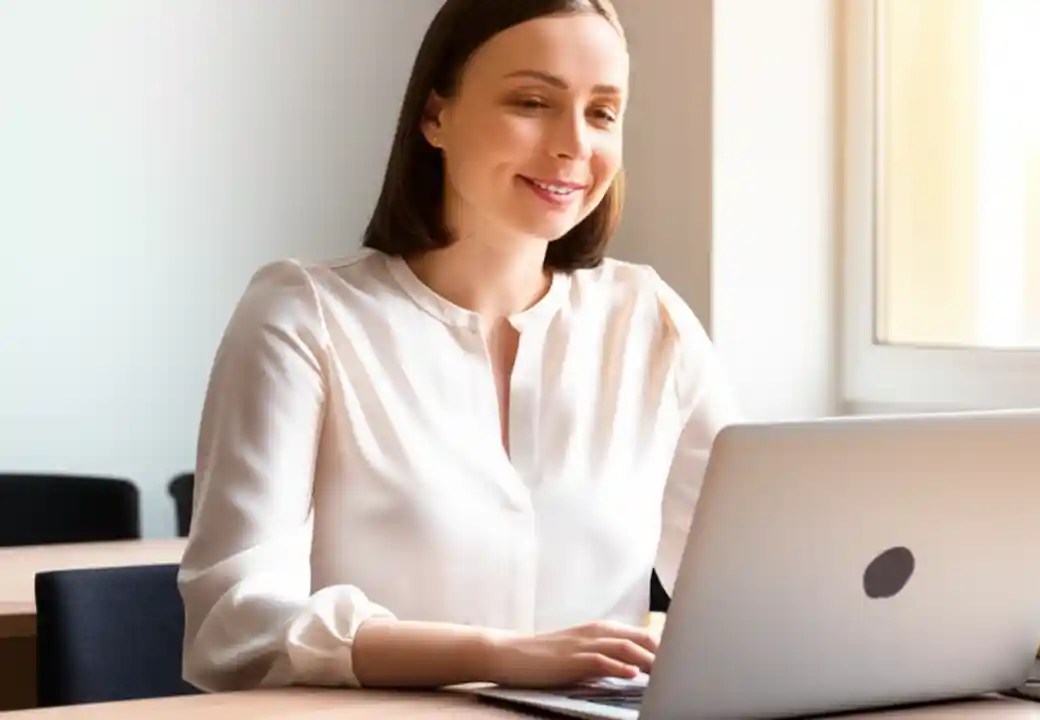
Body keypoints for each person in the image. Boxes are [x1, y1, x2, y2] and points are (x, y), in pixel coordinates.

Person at [178, 0, 739, 694]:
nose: (573, 145)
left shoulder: (650, 319)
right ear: (435, 116)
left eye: (602, 113)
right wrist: (496, 656)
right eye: (533, 102)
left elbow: (749, 590)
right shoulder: (303, 315)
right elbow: (233, 624)